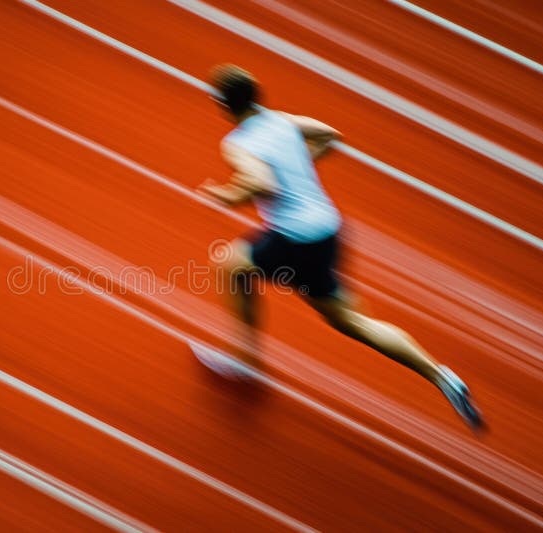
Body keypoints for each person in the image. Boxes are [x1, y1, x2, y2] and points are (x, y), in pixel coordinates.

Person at [197, 64, 483, 431]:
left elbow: (260, 181)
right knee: (351, 320)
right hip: (328, 230)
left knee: (230, 264)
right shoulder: (282, 122)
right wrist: (302, 162)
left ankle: (245, 361)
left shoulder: (237, 143)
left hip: (294, 238)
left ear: (223, 106)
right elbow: (330, 135)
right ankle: (442, 376)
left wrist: (225, 195)